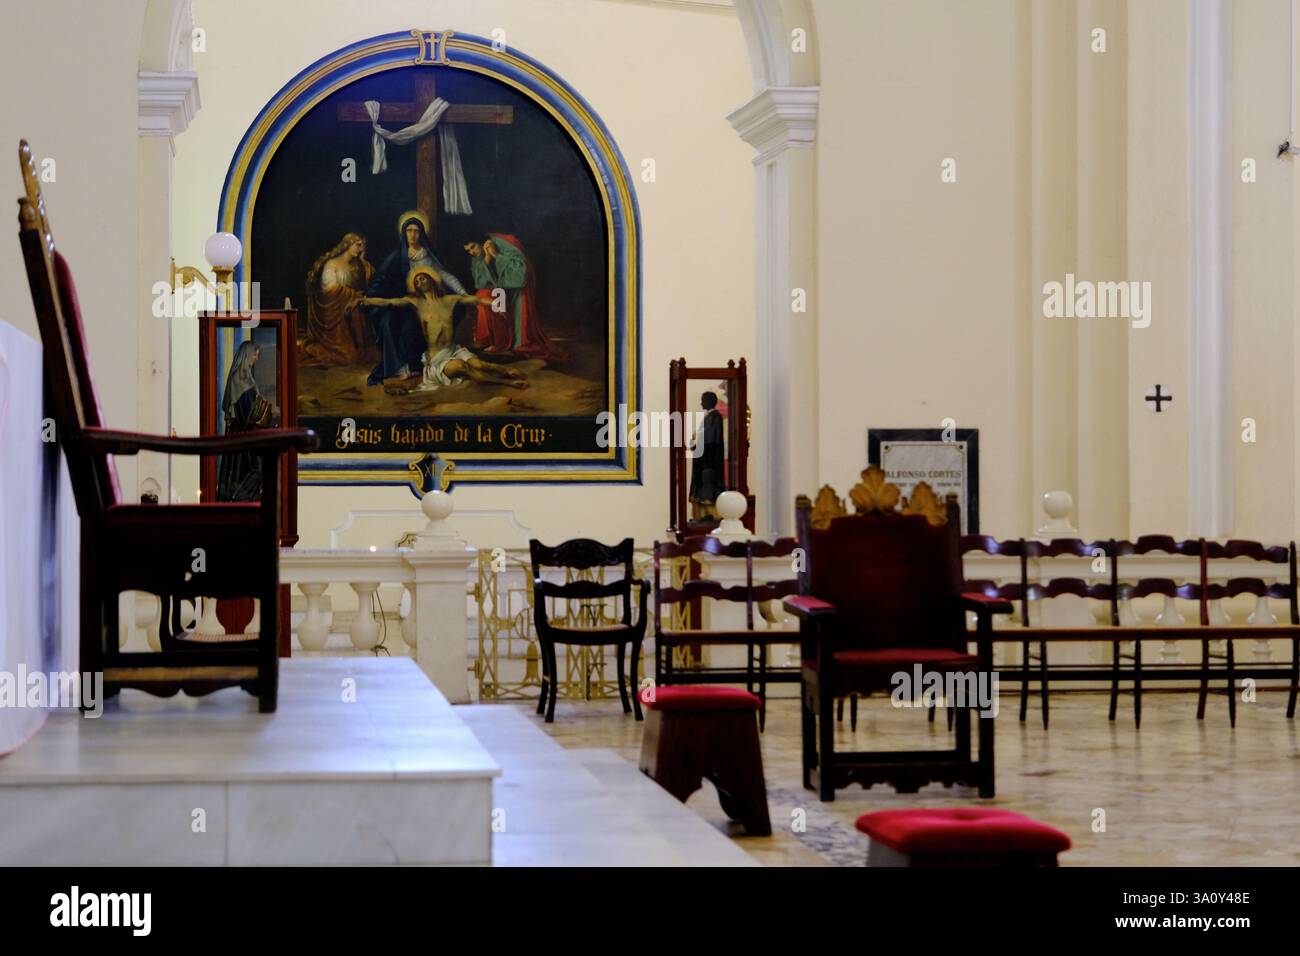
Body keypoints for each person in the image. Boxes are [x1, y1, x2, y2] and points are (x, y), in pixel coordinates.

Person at [362, 268, 528, 391]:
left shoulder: (449, 300)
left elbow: (474, 299)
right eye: (417, 281)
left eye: (423, 278)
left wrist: (495, 304)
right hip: (437, 358)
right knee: (463, 368)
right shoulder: (417, 303)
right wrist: (367, 301)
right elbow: (388, 302)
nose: (420, 282)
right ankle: (508, 383)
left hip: (453, 349)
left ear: (431, 280)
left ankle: (507, 371)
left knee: (480, 364)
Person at [365, 212, 465, 384]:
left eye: (416, 231)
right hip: (403, 301)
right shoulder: (396, 256)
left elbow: (444, 275)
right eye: (409, 230)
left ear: (421, 233)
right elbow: (381, 279)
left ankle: (420, 363)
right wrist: (370, 296)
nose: (413, 234)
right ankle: (401, 367)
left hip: (424, 301)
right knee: (393, 322)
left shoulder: (427, 255)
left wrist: (462, 292)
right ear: (404, 233)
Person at [464, 233, 567, 362]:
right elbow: (479, 283)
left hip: (518, 285)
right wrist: (486, 260)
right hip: (502, 289)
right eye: (468, 251)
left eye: (473, 247)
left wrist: (495, 255)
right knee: (483, 294)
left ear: (481, 241)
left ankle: (508, 341)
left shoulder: (504, 243)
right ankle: (494, 340)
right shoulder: (477, 258)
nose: (472, 252)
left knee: (497, 298)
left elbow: (520, 273)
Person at [301, 232, 374, 367]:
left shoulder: (359, 266)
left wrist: (363, 261)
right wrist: (352, 295)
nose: (361, 249)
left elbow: (370, 283)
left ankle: (360, 347)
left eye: (363, 247)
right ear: (347, 244)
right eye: (358, 245)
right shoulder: (331, 264)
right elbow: (329, 290)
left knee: (359, 309)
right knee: (346, 356)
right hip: (332, 314)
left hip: (350, 308)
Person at [217, 340, 276, 501]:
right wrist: (264, 411)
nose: (256, 359)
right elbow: (247, 411)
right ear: (247, 355)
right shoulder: (239, 378)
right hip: (242, 434)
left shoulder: (246, 377)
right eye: (255, 355)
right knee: (254, 469)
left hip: (246, 433)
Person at [688, 391, 726, 520]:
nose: (701, 403)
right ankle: (702, 516)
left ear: (709, 401)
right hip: (705, 461)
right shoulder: (709, 417)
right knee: (703, 488)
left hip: (709, 463)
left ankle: (709, 516)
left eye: (703, 400)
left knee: (708, 490)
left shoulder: (714, 417)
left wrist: (695, 439)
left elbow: (708, 440)